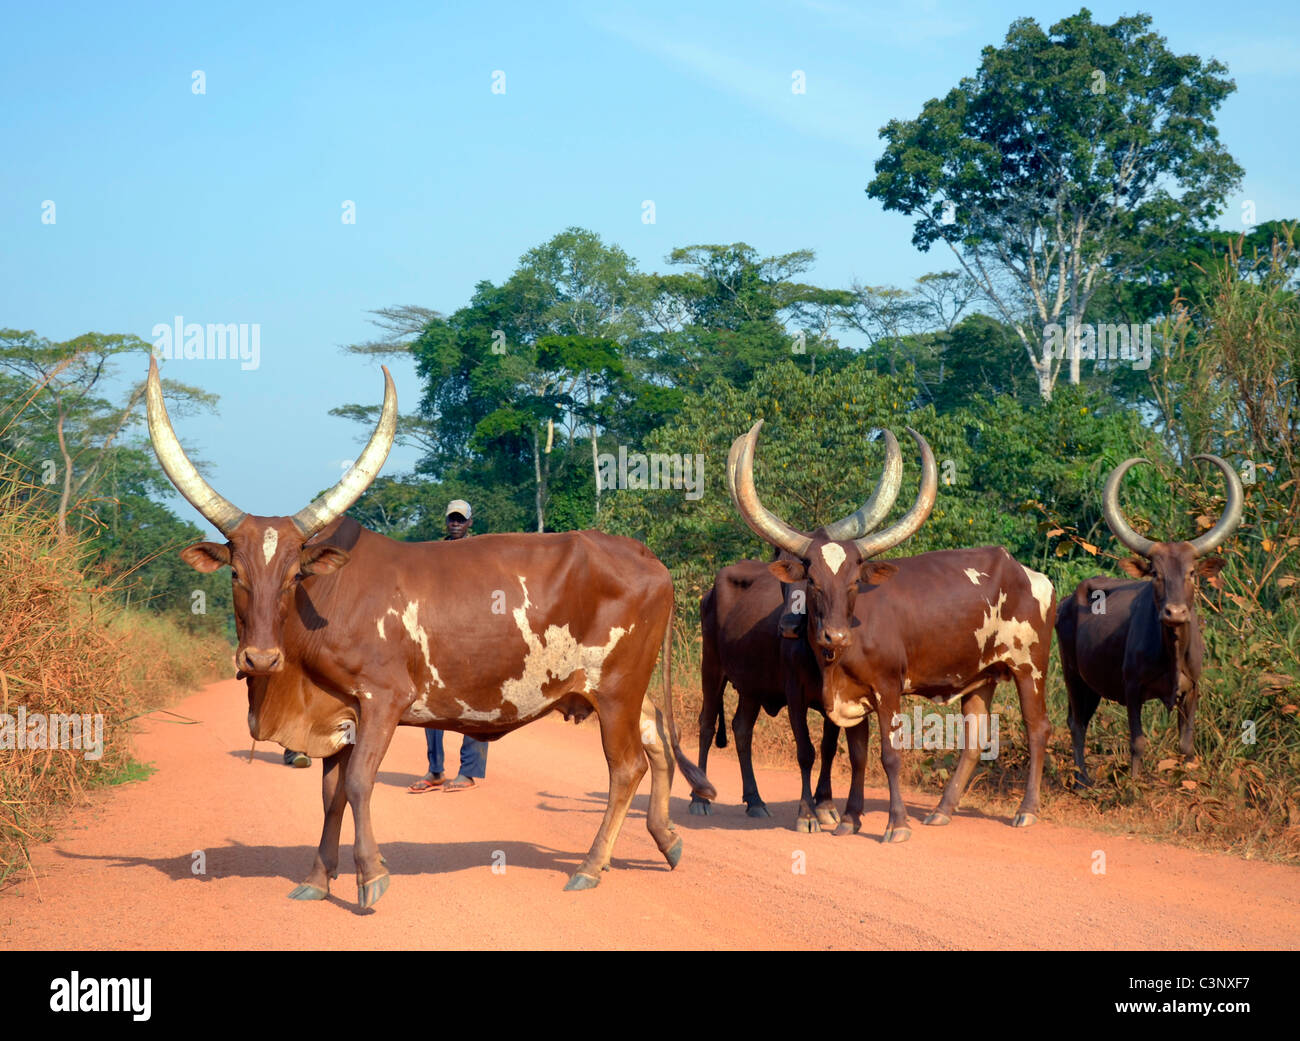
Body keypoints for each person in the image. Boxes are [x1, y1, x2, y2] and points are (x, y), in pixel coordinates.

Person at [408, 499, 489, 793]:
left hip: (474, 635)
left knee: (477, 703)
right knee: (430, 703)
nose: (455, 523)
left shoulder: (480, 552)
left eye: (460, 519)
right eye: (452, 519)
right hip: (439, 635)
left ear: (469, 523)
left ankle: (468, 772)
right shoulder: (434, 552)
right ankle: (435, 770)